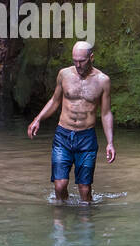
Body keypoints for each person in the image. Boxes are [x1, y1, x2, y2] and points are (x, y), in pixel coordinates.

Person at [27, 41, 115, 203]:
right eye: (75, 60)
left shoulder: (103, 81)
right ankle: (61, 219)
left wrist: (110, 142)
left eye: (82, 61)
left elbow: (106, 113)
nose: (78, 64)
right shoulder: (64, 74)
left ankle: (86, 223)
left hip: (86, 138)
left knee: (85, 190)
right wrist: (37, 119)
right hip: (63, 135)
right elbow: (55, 101)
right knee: (60, 186)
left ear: (91, 57)